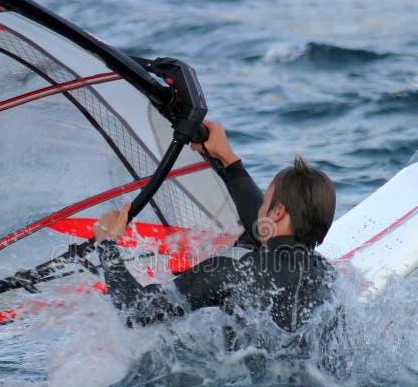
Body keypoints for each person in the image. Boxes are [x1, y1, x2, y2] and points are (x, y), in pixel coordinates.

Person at [92, 120, 336, 337]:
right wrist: (229, 160)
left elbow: (136, 311)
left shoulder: (231, 271)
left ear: (278, 212)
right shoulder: (328, 278)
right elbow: (262, 230)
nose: (260, 206)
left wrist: (107, 245)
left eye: (265, 202)